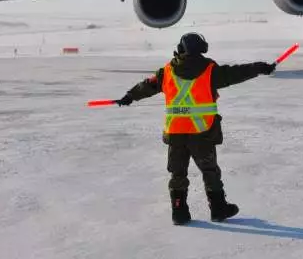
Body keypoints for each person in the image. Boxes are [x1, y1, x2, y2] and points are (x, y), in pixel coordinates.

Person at [115, 32, 276, 225]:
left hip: (176, 133)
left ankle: (179, 212)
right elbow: (237, 73)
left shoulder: (167, 71)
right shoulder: (209, 70)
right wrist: (260, 67)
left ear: (181, 48)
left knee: (177, 173)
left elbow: (147, 86)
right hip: (202, 132)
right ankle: (218, 209)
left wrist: (129, 96)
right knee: (210, 171)